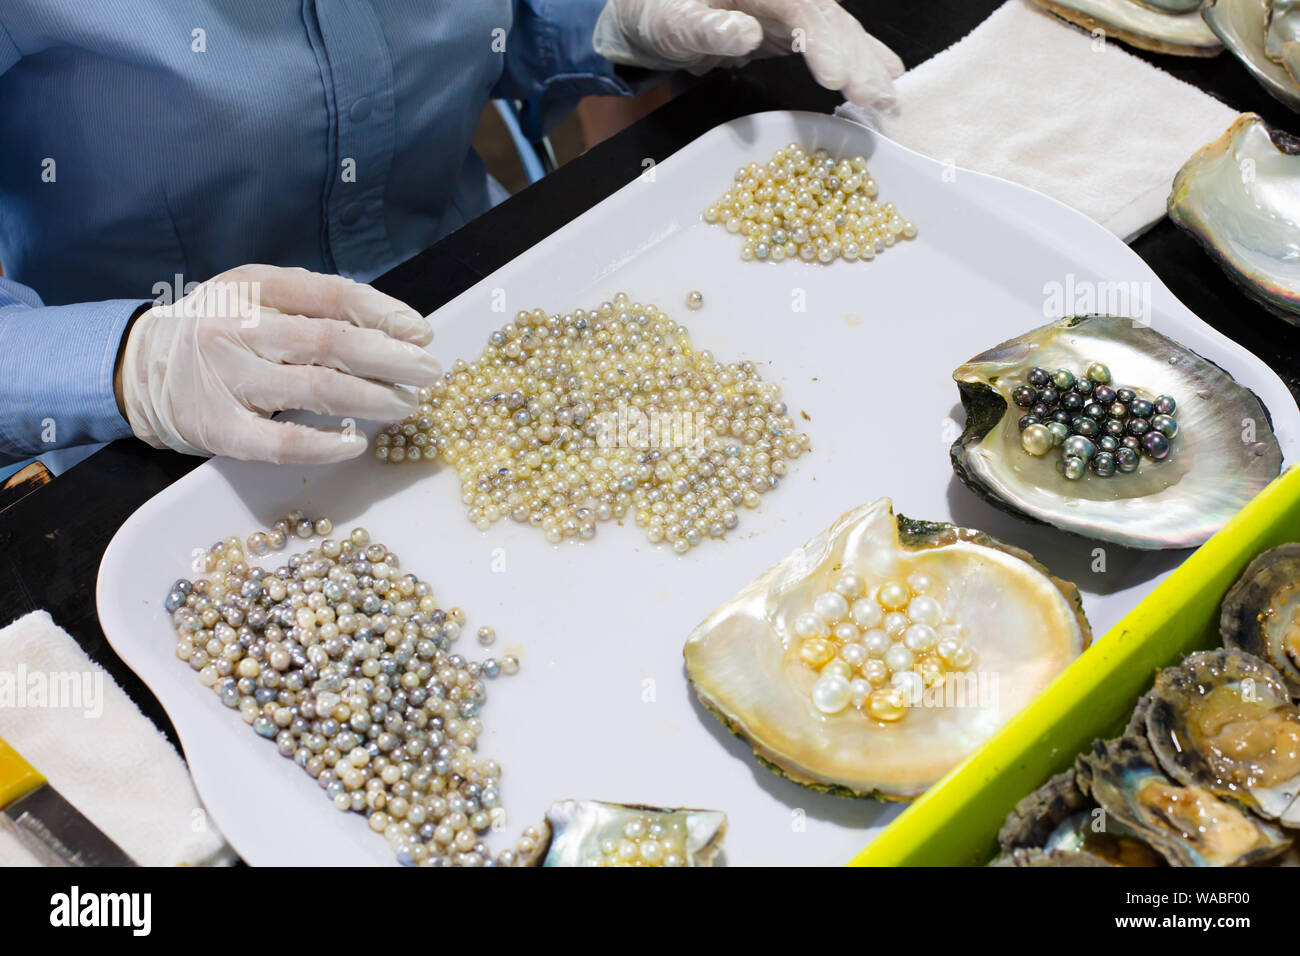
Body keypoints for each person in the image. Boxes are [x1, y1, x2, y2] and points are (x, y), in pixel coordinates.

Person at [0, 0, 902, 467]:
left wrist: (621, 21)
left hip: (480, 324)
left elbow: (496, 29)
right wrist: (129, 361)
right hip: (158, 445)